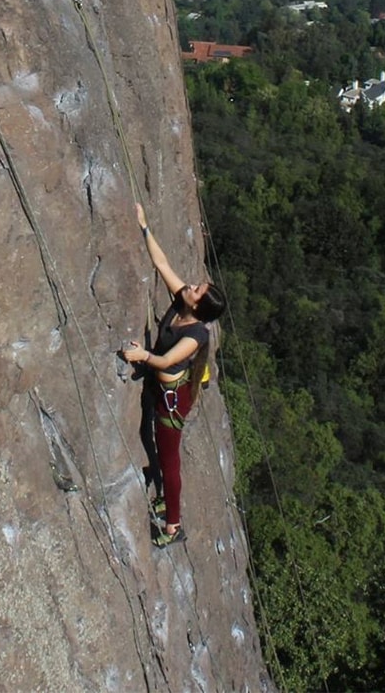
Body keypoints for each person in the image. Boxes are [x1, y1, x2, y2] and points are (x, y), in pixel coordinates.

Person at [121, 203, 226, 548]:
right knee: (155, 446)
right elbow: (162, 263)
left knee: (169, 459)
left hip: (172, 401)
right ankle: (166, 496)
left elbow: (166, 361)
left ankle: (173, 526)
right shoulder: (184, 302)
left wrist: (141, 356)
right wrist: (144, 227)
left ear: (199, 306)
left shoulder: (196, 334)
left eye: (197, 289)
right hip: (163, 390)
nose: (192, 285)